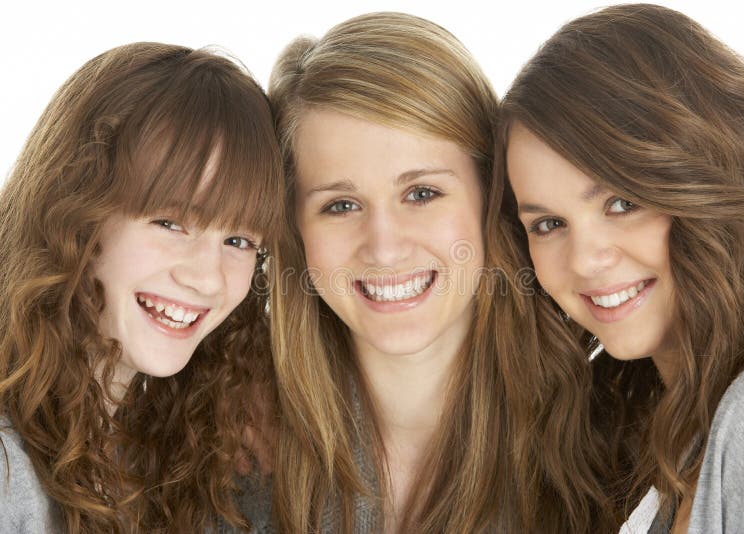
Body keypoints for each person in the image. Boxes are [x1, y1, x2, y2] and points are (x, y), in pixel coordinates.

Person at [257, 11, 599, 533]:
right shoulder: (225, 444)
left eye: (422, 193)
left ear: (492, 195)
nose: (386, 248)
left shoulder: (605, 433)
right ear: (293, 227)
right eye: (341, 205)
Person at [498, 4, 744, 533]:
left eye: (621, 203)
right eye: (547, 224)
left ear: (708, 177)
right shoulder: (636, 417)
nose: (586, 260)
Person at [0, 42, 282, 533]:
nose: (207, 277)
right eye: (170, 223)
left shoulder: (183, 457)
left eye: (238, 239)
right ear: (75, 211)